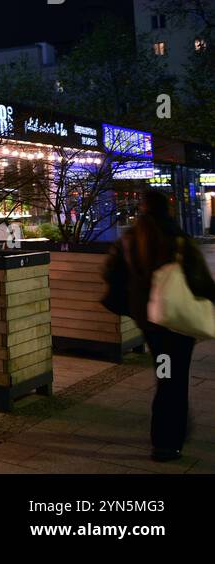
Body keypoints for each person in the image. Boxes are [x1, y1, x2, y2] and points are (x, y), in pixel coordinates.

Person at [103, 189, 215, 461]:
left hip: (152, 327)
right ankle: (167, 441)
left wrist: (135, 301)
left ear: (143, 209)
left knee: (165, 375)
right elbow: (201, 281)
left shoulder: (129, 239)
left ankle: (166, 437)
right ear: (168, 209)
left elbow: (109, 273)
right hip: (178, 326)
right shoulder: (179, 239)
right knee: (174, 380)